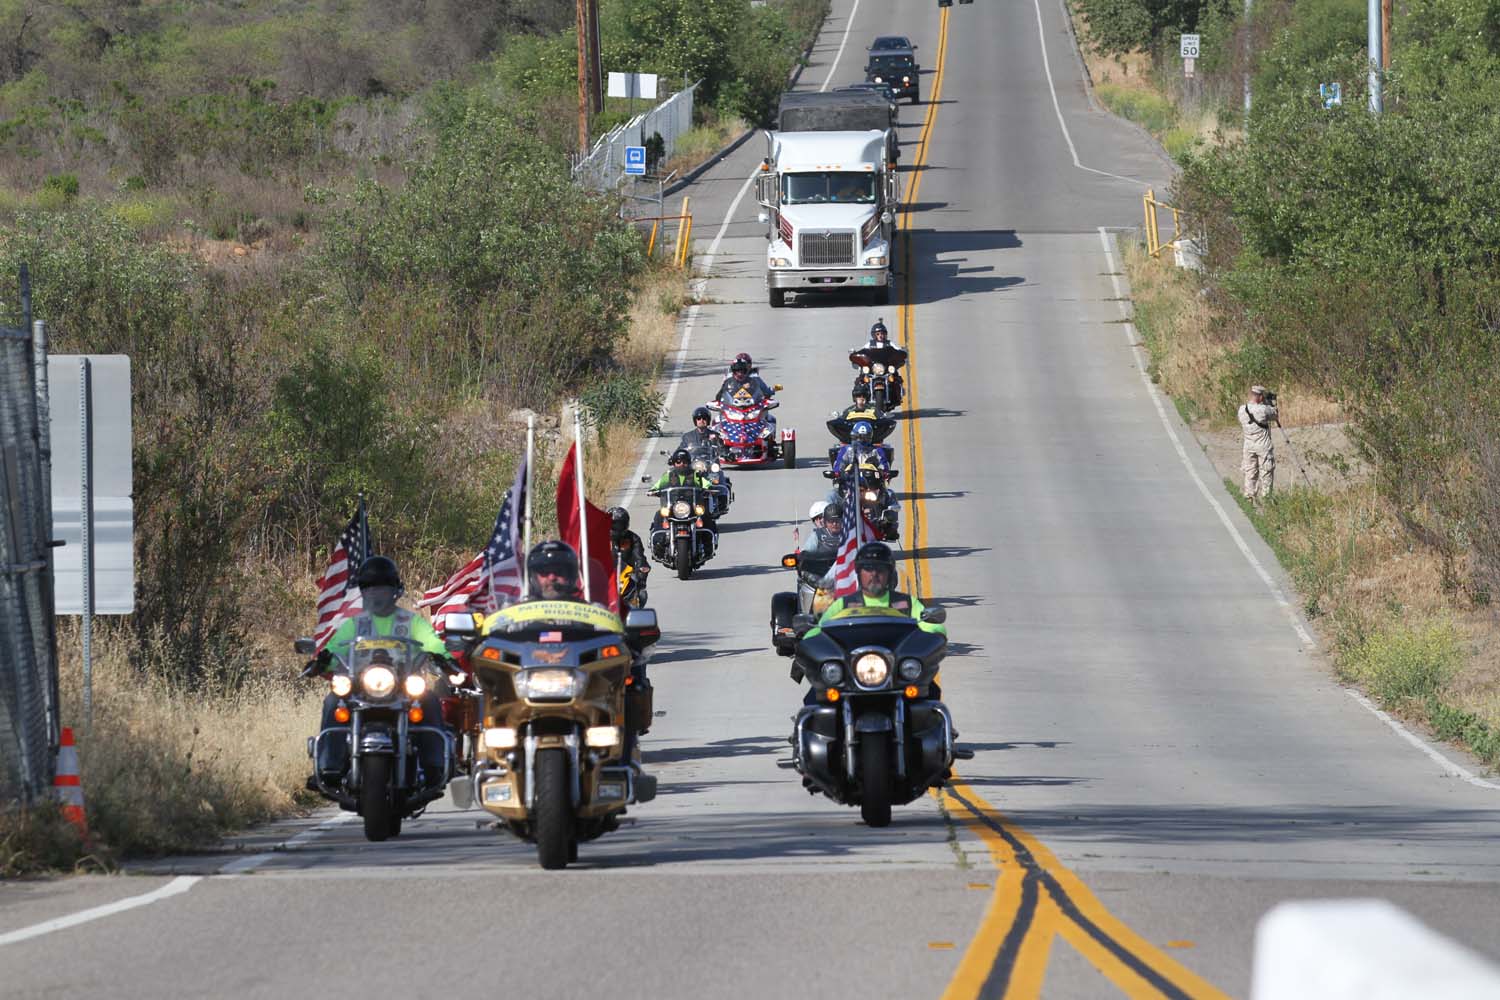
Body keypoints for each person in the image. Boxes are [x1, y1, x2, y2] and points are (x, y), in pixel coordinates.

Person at [306, 555, 455, 787]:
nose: (377, 594)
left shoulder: (411, 622)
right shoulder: (355, 624)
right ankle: (328, 766)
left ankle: (434, 765)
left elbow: (432, 643)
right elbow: (335, 648)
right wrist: (321, 659)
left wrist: (444, 658)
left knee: (430, 701)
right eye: (371, 589)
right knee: (333, 701)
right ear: (363, 593)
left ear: (395, 591)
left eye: (383, 589)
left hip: (402, 684)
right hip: (361, 685)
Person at [650, 449, 715, 553]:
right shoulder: (669, 475)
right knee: (659, 515)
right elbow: (658, 485)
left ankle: (709, 544)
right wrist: (653, 490)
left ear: (689, 463)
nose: (682, 464)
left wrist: (709, 488)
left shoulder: (695, 475)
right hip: (672, 506)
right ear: (674, 463)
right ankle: (658, 543)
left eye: (685, 462)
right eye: (679, 462)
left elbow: (705, 483)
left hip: (692, 506)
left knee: (705, 515)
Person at [1239, 385, 1278, 502]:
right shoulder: (1264, 410)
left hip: (1248, 445)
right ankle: (1266, 498)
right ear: (1261, 397)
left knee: (1250, 471)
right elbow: (1275, 415)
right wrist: (1271, 404)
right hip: (1263, 446)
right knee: (1266, 471)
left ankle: (1249, 496)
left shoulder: (1242, 409)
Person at [609, 507, 650, 608]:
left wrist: (641, 570)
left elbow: (639, 557)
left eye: (620, 524)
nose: (617, 527)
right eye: (614, 524)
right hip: (606, 577)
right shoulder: (599, 537)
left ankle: (638, 618)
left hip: (627, 577)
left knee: (642, 594)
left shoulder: (633, 538)